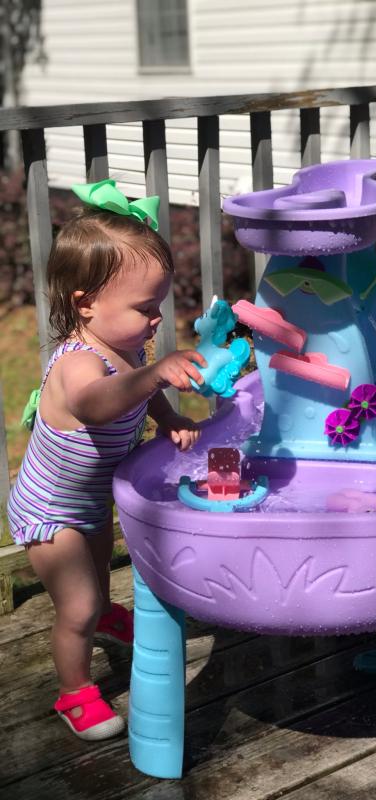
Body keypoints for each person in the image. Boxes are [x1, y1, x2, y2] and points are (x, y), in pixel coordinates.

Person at [7, 180, 207, 739]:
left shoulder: (127, 349)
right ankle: (73, 694)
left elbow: (139, 391)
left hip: (90, 502)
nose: (156, 319)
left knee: (97, 578)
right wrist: (155, 373)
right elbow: (97, 404)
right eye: (144, 308)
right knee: (77, 606)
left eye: (158, 306)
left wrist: (167, 417)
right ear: (85, 304)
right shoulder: (79, 364)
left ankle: (105, 616)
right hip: (49, 510)